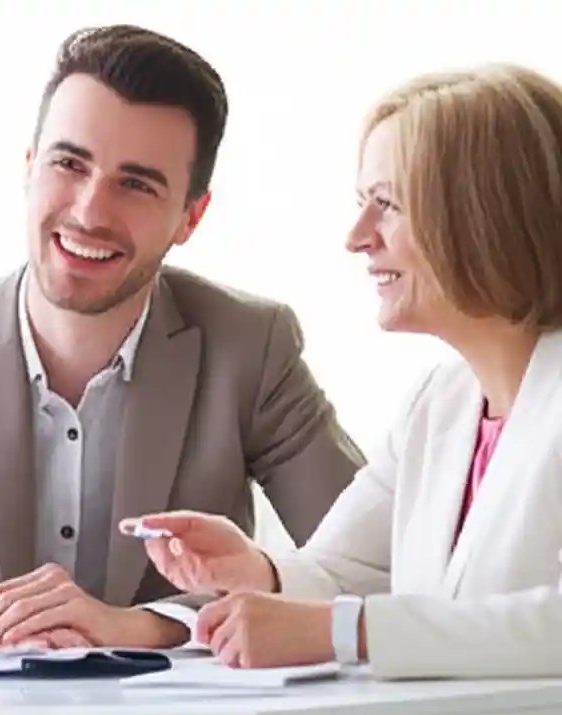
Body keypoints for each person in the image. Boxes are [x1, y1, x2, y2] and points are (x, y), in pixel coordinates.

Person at [0, 23, 363, 661]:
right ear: (29, 168)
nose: (88, 211)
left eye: (136, 184)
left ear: (191, 216)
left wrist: (145, 625)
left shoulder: (252, 347)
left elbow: (373, 572)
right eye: (68, 163)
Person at [130, 63, 562, 679]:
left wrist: (345, 630)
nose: (357, 238)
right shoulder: (437, 405)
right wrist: (258, 572)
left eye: (385, 205)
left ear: (482, 214)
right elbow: (341, 572)